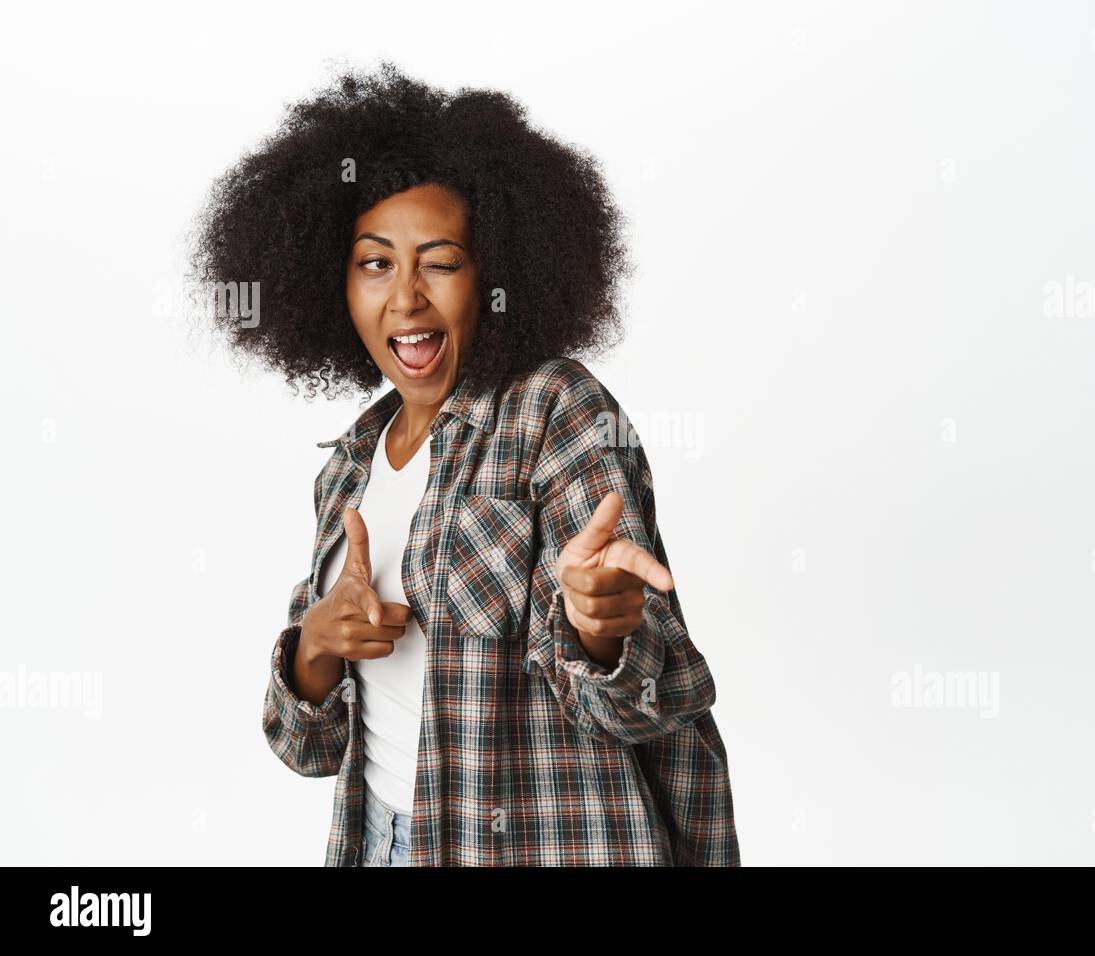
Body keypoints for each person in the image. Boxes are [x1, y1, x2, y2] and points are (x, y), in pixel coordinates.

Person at [189, 62, 740, 865]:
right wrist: (313, 645)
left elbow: (652, 697)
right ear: (332, 283)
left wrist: (598, 626)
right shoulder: (349, 467)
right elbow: (308, 749)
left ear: (495, 277)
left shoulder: (556, 412)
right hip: (376, 840)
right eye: (375, 262)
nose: (405, 295)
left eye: (440, 261)